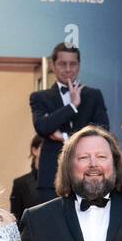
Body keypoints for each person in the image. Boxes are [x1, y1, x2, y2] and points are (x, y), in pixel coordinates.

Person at [29, 42, 109, 202]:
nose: (68, 69)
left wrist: (65, 137)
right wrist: (72, 106)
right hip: (51, 175)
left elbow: (102, 131)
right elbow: (42, 127)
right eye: (62, 64)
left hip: (87, 174)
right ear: (53, 65)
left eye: (72, 64)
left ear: (79, 66)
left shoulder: (94, 95)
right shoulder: (40, 97)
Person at [10, 134, 43, 219]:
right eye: (45, 147)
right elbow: (16, 219)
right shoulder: (20, 184)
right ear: (34, 150)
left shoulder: (60, 181)